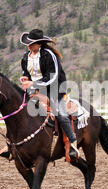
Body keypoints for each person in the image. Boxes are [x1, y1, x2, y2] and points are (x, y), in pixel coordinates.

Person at [19, 28, 80, 159]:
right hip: (36, 89)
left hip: (55, 88)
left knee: (60, 113)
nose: (29, 46)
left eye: (32, 43)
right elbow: (26, 73)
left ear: (39, 43)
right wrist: (24, 79)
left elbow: (52, 77)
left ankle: (72, 140)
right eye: (28, 43)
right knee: (21, 107)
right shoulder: (26, 57)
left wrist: (33, 84)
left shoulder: (49, 55)